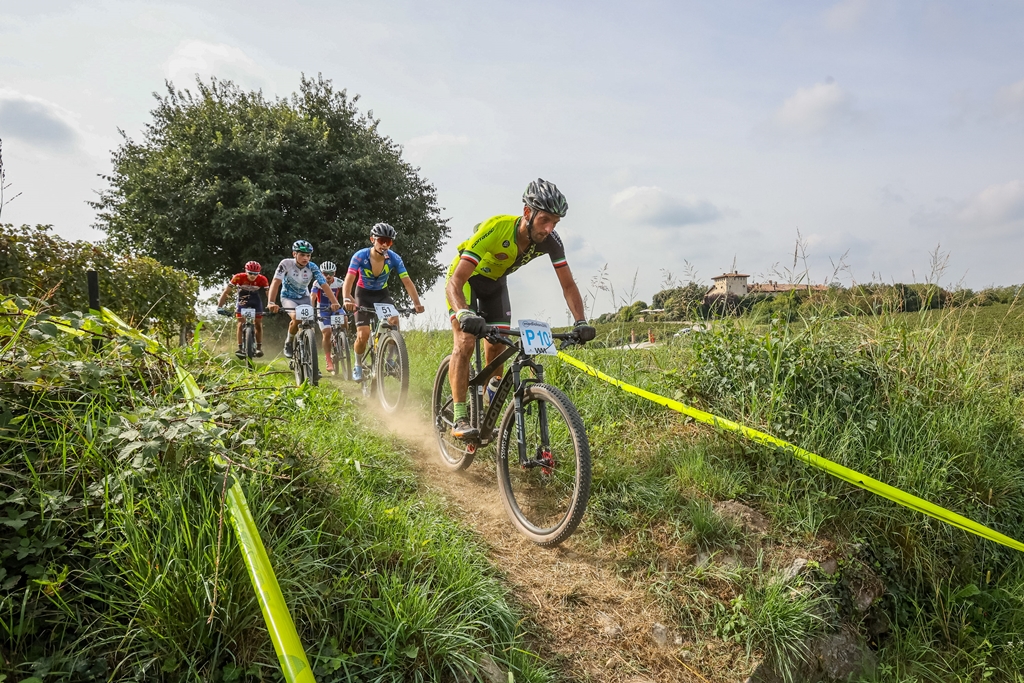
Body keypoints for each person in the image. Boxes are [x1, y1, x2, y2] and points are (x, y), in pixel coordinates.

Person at [444, 178, 596, 439]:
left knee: (497, 350)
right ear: (528, 213)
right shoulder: (498, 228)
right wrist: (463, 312)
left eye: (555, 223)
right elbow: (455, 282)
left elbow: (568, 285)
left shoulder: (551, 241)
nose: (549, 228)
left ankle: (484, 412)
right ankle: (459, 416)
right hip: (466, 281)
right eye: (545, 220)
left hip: (495, 286)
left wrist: (581, 322)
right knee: (466, 342)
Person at [341, 222, 425, 381]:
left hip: (382, 294)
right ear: (372, 239)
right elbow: (349, 279)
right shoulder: (360, 256)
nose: (385, 244)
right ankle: (358, 364)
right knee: (363, 335)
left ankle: (390, 360)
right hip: (363, 295)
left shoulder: (394, 258)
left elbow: (407, 281)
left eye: (389, 241)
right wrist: (346, 298)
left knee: (394, 320)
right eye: (381, 240)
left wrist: (417, 303)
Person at [267, 240, 341, 358]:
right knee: (296, 318)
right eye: (302, 254)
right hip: (288, 297)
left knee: (310, 325)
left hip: (304, 297)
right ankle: (289, 342)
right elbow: (275, 283)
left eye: (308, 255)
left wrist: (335, 302)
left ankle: (312, 364)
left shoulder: (312, 267)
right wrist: (271, 302)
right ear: (294, 254)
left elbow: (324, 285)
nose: (305, 258)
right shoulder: (285, 264)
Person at [216, 260, 269, 358]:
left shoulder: (263, 279)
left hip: (255, 299)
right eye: (250, 273)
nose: (253, 276)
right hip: (242, 299)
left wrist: (271, 304)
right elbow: (226, 291)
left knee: (258, 323)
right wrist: (219, 306)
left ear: (259, 273)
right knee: (240, 323)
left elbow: (268, 293)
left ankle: (259, 347)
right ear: (246, 271)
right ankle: (240, 348)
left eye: (256, 274)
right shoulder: (238, 277)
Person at [310, 260, 346, 375]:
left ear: (334, 273)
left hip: (335, 308)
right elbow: (313, 297)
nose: (328, 276)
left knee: (345, 319)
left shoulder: (340, 282)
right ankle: (328, 359)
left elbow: (347, 293)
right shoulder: (317, 283)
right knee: (327, 332)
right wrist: (311, 309)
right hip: (322, 310)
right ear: (321, 274)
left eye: (331, 273)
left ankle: (342, 339)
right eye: (325, 273)